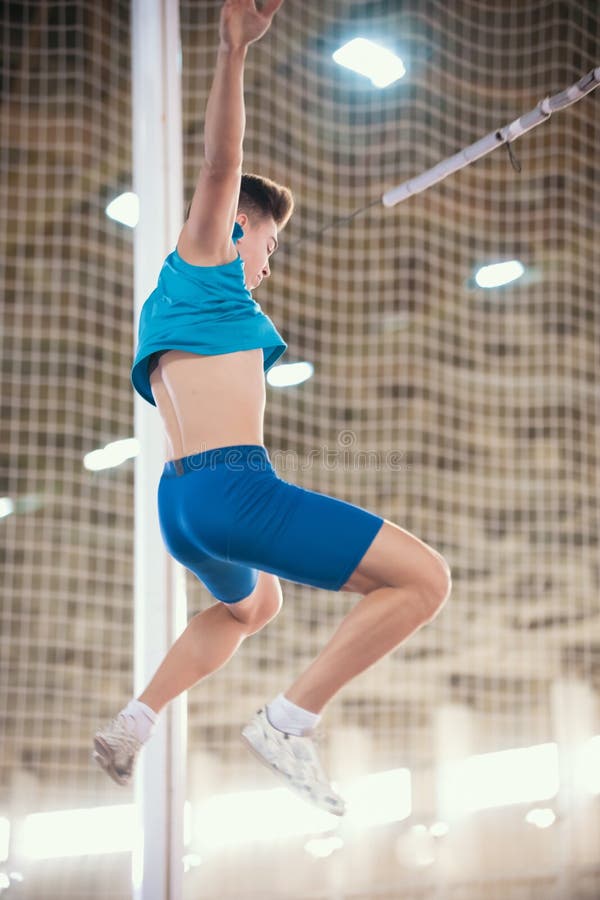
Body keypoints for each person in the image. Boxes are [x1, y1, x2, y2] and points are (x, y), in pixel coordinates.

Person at [93, 0, 451, 817]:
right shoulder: (206, 260)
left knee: (254, 604)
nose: (270, 259)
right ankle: (289, 722)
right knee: (425, 580)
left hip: (182, 503)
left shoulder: (171, 303)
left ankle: (135, 719)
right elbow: (222, 166)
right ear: (238, 227)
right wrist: (232, 52)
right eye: (270, 243)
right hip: (232, 489)